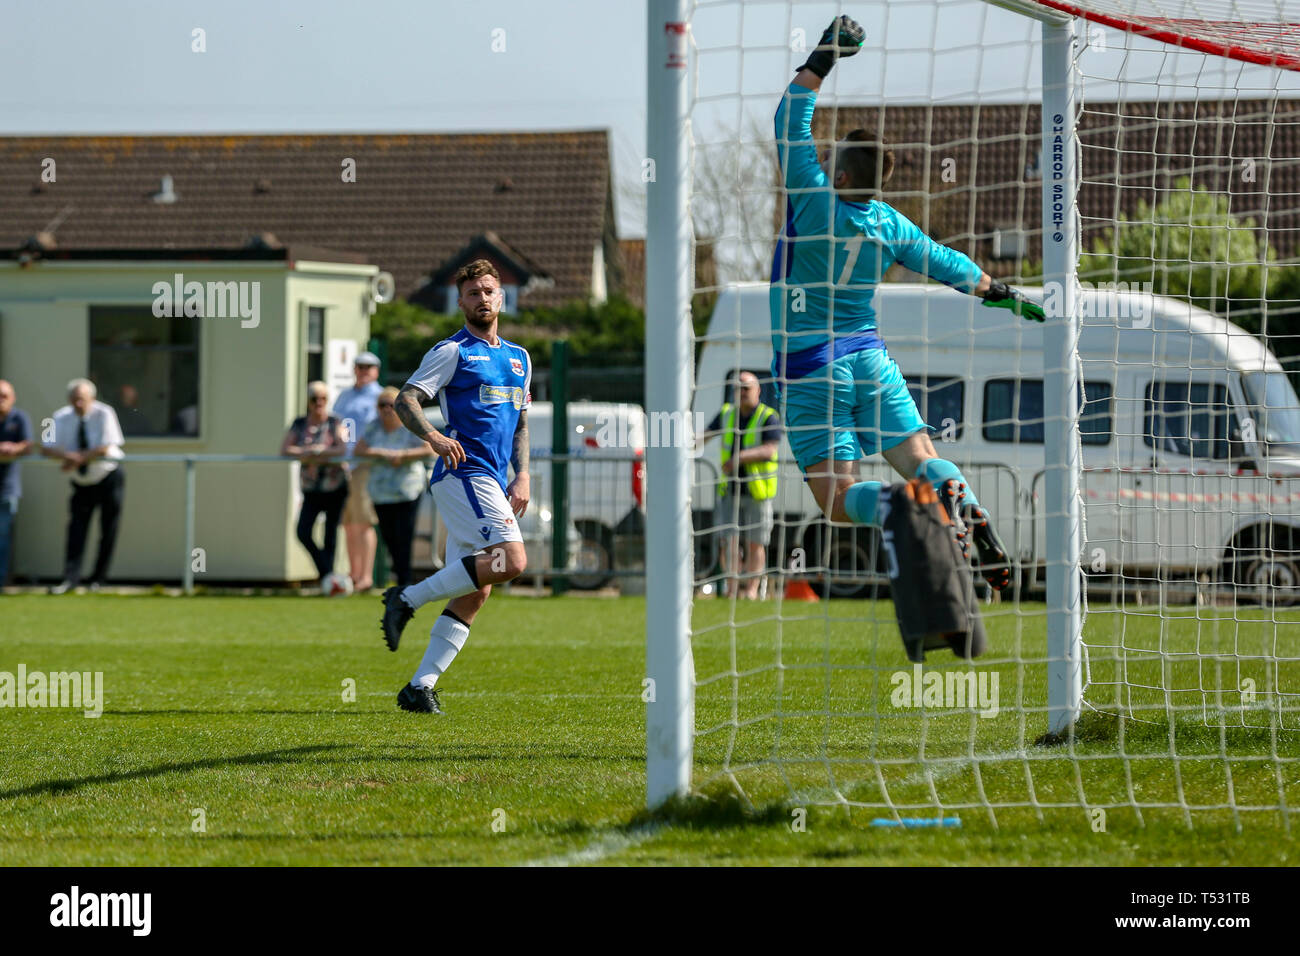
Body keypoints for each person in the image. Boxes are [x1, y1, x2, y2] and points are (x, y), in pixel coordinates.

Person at [771, 16, 1044, 591]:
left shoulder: (813, 200)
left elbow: (788, 116)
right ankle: (954, 496)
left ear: (839, 171)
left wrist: (825, 55)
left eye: (830, 155)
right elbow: (947, 263)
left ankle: (907, 501)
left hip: (810, 368)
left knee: (838, 502)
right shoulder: (888, 225)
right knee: (923, 453)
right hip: (869, 359)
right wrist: (1000, 292)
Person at [379, 258, 531, 715]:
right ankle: (405, 597)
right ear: (460, 302)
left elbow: (521, 422)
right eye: (472, 293)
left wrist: (522, 474)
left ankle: (418, 688)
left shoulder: (519, 357)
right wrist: (434, 436)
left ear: (500, 297)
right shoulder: (453, 351)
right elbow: (406, 399)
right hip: (464, 473)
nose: (482, 299)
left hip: (495, 477)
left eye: (488, 291)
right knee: (512, 560)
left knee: (477, 588)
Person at [701, 371, 781, 598]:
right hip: (730, 491)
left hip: (758, 492)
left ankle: (752, 592)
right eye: (738, 388)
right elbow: (704, 435)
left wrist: (739, 458)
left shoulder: (769, 416)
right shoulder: (727, 414)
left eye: (747, 388)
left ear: (758, 391)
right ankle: (732, 590)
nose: (742, 392)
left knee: (756, 543)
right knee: (729, 542)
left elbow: (770, 449)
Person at [41, 379, 126, 593]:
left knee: (108, 529)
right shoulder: (59, 416)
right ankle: (70, 580)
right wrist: (68, 456)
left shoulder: (105, 413)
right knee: (76, 530)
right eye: (75, 399)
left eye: (83, 399)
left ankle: (98, 580)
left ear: (92, 399)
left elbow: (106, 447)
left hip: (108, 476)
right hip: (81, 482)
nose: (79, 404)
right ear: (69, 400)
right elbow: (45, 447)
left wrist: (76, 459)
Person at [356, 386, 433, 588]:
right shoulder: (373, 427)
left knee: (403, 537)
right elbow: (359, 450)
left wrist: (402, 455)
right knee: (389, 538)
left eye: (392, 405)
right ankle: (400, 580)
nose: (387, 409)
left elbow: (428, 449)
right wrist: (382, 453)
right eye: (383, 405)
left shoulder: (411, 425)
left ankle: (405, 583)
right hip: (380, 492)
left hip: (407, 490)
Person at [281, 382, 349, 588]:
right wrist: (305, 452)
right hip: (311, 488)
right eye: (314, 399)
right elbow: (285, 449)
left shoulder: (334, 421)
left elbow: (341, 448)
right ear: (308, 402)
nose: (318, 403)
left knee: (330, 534)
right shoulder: (300, 423)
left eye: (323, 399)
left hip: (335, 485)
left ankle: (328, 581)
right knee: (303, 531)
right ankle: (327, 572)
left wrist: (319, 451)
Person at [334, 352, 383, 591]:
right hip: (344, 463)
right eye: (360, 366)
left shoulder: (379, 397)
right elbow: (336, 424)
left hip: (365, 464)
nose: (363, 370)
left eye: (368, 367)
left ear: (376, 371)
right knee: (348, 522)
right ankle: (353, 574)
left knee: (364, 521)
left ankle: (366, 576)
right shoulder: (345, 395)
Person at [0, 380, 33, 587]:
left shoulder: (20, 418)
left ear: (13, 398)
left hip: (7, 488)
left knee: (3, 538)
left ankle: (1, 581)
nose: (0, 401)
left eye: (4, 396)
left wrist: (14, 448)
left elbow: (29, 444)